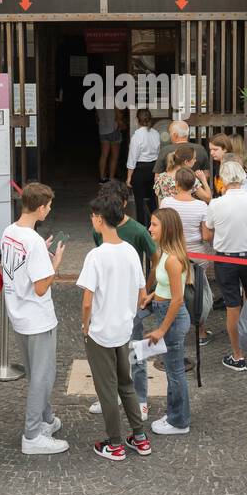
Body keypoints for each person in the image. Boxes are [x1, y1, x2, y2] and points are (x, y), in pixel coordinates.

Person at [80, 193, 151, 460]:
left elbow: (87, 302)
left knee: (106, 389)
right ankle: (140, 437)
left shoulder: (95, 256)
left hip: (100, 331)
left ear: (99, 219)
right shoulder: (130, 251)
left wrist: (84, 326)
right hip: (123, 328)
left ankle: (115, 442)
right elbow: (141, 292)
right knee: (126, 384)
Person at [1, 183, 68, 455]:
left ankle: (45, 420)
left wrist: (43, 252)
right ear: (40, 207)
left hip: (17, 313)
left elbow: (20, 267)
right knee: (43, 375)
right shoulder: (34, 242)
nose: (49, 210)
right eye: (49, 206)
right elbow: (41, 287)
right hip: (37, 318)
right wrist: (56, 263)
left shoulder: (10, 231)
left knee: (36, 373)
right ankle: (32, 435)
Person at [88, 180, 158, 417]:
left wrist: (145, 290)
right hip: (107, 302)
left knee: (137, 351)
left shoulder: (138, 230)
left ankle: (140, 399)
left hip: (131, 302)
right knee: (107, 354)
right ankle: (109, 397)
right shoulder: (98, 231)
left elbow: (156, 259)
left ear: (124, 205)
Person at [205, 159, 247, 371]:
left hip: (226, 258)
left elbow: (207, 233)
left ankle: (237, 355)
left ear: (221, 180)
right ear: (242, 177)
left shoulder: (216, 203)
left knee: (233, 307)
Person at [143, 208, 192, 435]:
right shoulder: (166, 253)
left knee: (175, 372)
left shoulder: (172, 259)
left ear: (167, 229)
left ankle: (179, 421)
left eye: (154, 225)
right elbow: (169, 287)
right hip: (166, 311)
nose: (149, 228)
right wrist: (154, 294)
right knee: (173, 370)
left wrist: (161, 329)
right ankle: (175, 414)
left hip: (172, 318)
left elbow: (178, 298)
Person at [161, 167, 213, 345]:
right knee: (197, 293)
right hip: (197, 255)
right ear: (193, 186)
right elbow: (206, 236)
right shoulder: (201, 206)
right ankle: (201, 331)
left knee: (173, 291)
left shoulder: (166, 203)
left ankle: (173, 328)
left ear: (176, 184)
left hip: (173, 253)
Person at [125, 108, 161, 226]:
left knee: (139, 201)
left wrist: (129, 177)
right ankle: (156, 224)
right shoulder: (155, 133)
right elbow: (158, 152)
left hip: (140, 170)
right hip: (153, 168)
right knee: (152, 200)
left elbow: (132, 158)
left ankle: (142, 226)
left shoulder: (137, 136)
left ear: (137, 120)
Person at [96, 106, 122, 182]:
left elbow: (97, 118)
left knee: (104, 155)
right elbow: (119, 116)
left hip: (102, 130)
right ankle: (111, 177)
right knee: (114, 156)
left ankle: (102, 178)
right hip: (113, 130)